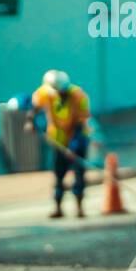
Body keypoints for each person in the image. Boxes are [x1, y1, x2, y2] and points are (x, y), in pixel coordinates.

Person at [26, 70, 93, 219]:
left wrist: (73, 147)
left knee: (79, 175)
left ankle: (79, 207)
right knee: (59, 175)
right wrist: (30, 121)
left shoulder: (78, 96)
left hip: (78, 139)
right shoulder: (45, 92)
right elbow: (34, 107)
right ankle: (58, 207)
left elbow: (82, 122)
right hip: (58, 141)